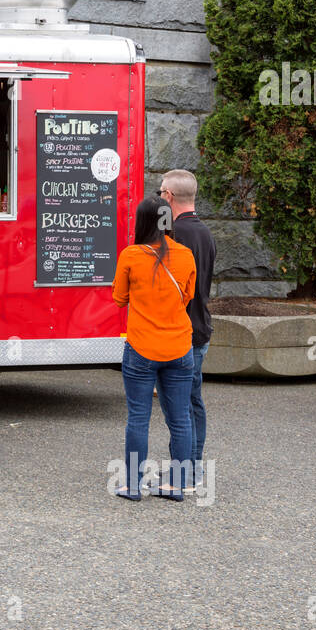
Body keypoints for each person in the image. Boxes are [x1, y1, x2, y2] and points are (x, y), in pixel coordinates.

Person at [110, 197, 197, 501]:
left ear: (142, 222)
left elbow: (119, 298)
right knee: (180, 420)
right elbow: (188, 297)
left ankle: (132, 485)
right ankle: (176, 485)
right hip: (179, 347)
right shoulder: (186, 256)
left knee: (138, 418)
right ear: (168, 221)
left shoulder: (131, 255)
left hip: (141, 348)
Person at [160, 169, 216, 493]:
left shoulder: (173, 235)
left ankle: (187, 473)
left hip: (181, 331)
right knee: (193, 401)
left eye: (161, 193)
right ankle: (192, 468)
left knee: (179, 407)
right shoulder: (205, 232)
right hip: (201, 327)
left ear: (169, 196)